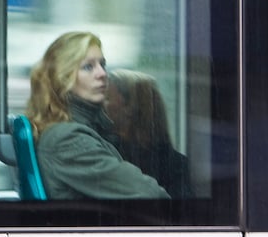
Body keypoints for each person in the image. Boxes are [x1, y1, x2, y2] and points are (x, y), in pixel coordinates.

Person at [25, 31, 169, 200]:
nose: (102, 74)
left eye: (102, 64)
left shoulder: (87, 127)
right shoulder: (67, 140)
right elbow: (149, 194)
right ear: (62, 79)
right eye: (88, 67)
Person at [105, 68, 193, 199]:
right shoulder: (177, 164)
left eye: (107, 98)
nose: (100, 104)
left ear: (129, 108)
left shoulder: (109, 155)